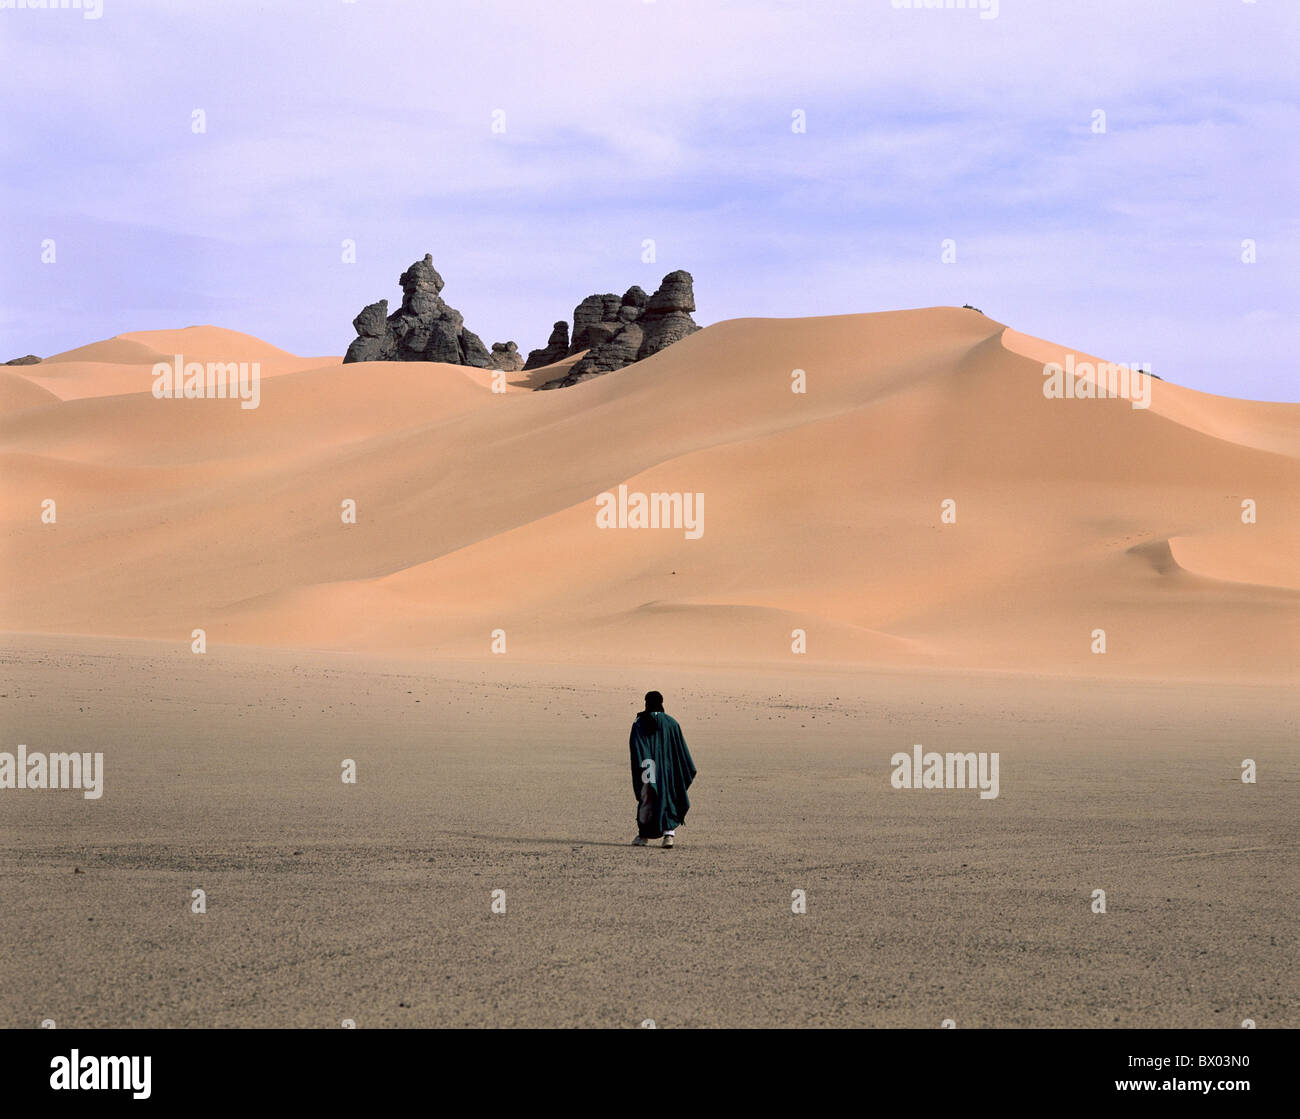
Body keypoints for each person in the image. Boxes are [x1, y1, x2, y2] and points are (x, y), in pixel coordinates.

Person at [629, 690, 696, 848]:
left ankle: (644, 836)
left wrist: (645, 766)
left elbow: (637, 747)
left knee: (648, 800)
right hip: (669, 771)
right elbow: (681, 751)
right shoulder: (671, 722)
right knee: (669, 798)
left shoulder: (640, 722)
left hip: (648, 769)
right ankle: (668, 835)